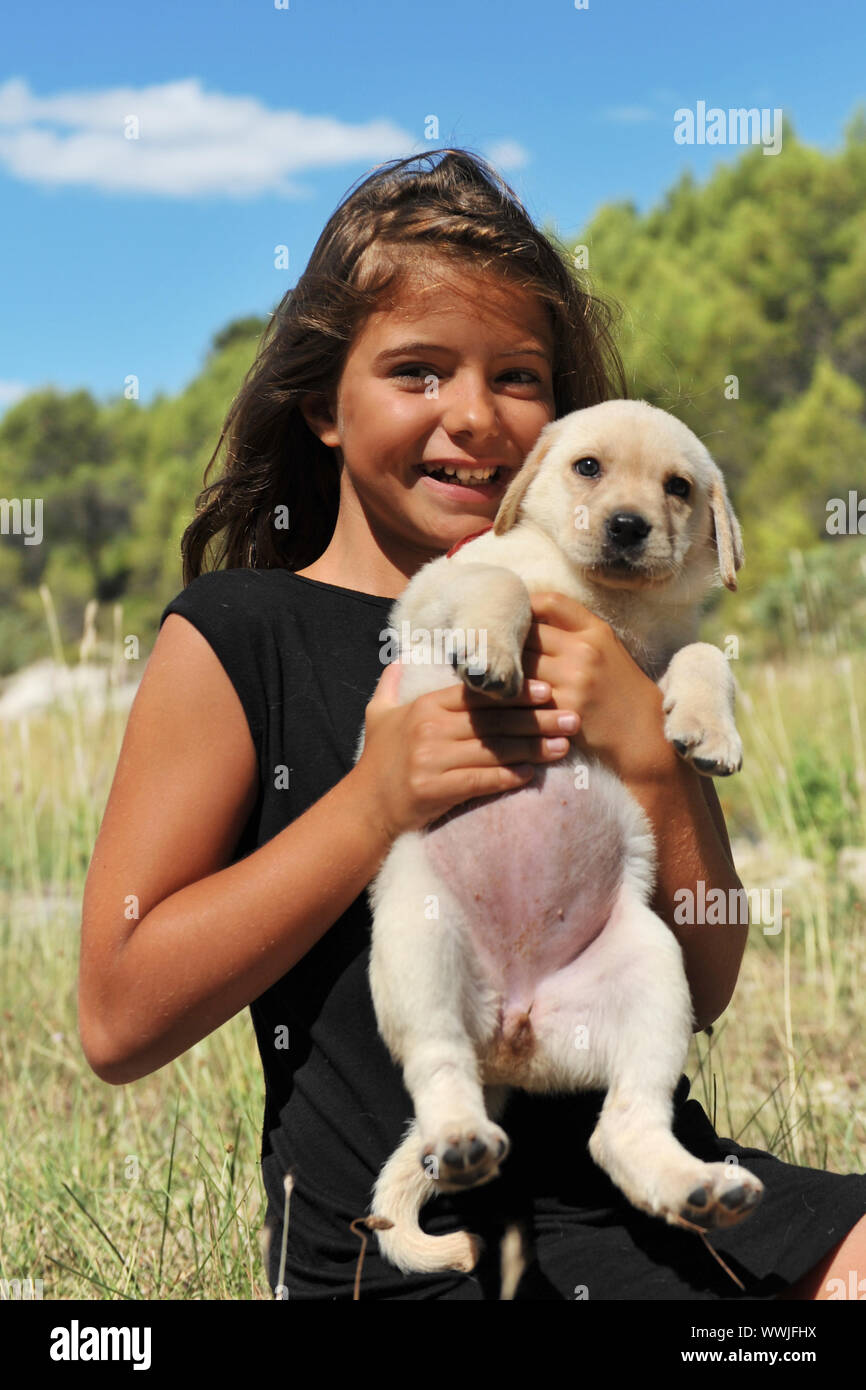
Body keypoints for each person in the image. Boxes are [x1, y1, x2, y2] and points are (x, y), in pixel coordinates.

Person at [79, 148, 866, 1301]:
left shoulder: (619, 632)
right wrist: (374, 804)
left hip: (646, 1193)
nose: (471, 415)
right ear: (320, 403)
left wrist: (649, 749)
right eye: (415, 370)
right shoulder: (242, 629)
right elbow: (114, 1018)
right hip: (402, 1245)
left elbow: (700, 981)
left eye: (517, 375)